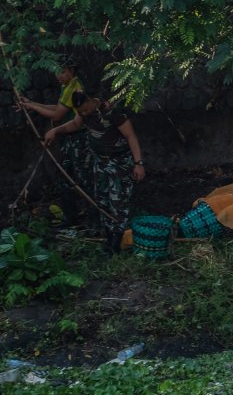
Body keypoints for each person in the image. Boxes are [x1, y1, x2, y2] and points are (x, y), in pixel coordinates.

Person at [44, 92, 145, 253]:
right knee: (102, 199)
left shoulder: (111, 111)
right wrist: (56, 130)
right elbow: (75, 124)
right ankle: (109, 237)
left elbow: (130, 136)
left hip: (119, 162)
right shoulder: (83, 113)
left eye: (85, 110)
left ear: (91, 100)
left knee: (118, 200)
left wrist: (138, 163)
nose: (83, 114)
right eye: (80, 112)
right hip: (100, 162)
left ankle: (116, 242)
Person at [17, 64, 92, 222]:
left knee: (80, 179)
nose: (58, 76)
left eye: (62, 72)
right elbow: (59, 108)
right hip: (69, 138)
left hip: (77, 139)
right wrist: (32, 103)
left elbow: (57, 116)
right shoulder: (68, 86)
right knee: (67, 178)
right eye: (57, 72)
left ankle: (89, 217)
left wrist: (32, 106)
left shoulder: (75, 88)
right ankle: (73, 216)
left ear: (71, 71)